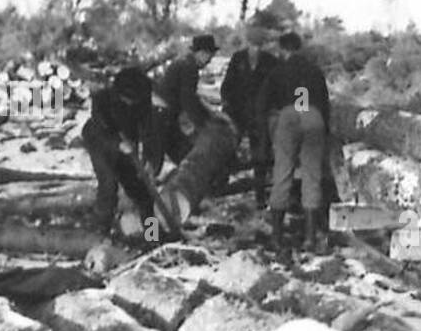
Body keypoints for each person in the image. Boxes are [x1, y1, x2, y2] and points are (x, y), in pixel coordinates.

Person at [258, 31, 331, 254]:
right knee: (312, 176)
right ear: (299, 48)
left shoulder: (277, 71)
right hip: (313, 117)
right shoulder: (315, 70)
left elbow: (263, 104)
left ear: (282, 49)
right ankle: (310, 239)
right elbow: (325, 105)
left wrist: (263, 137)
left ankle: (277, 238)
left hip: (289, 116)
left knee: (282, 173)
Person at [82, 66, 158, 234]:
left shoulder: (143, 100)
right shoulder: (102, 100)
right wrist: (118, 143)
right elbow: (101, 129)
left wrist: (150, 159)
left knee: (143, 193)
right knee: (108, 184)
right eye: (129, 99)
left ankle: (152, 235)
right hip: (100, 142)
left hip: (127, 146)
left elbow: (148, 130)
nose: (132, 103)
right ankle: (102, 230)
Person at [220, 26, 281, 207]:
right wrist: (227, 106)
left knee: (260, 156)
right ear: (248, 44)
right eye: (253, 45)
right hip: (238, 113)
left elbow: (277, 88)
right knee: (226, 150)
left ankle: (260, 197)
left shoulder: (271, 61)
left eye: (259, 46)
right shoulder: (237, 58)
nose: (256, 49)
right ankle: (218, 186)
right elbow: (227, 86)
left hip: (260, 115)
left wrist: (272, 108)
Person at [154, 34, 218, 166]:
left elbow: (191, 98)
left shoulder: (183, 62)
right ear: (201, 53)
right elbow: (187, 100)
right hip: (162, 114)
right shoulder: (190, 67)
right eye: (209, 55)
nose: (210, 60)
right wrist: (202, 124)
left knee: (180, 154)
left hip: (164, 113)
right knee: (159, 157)